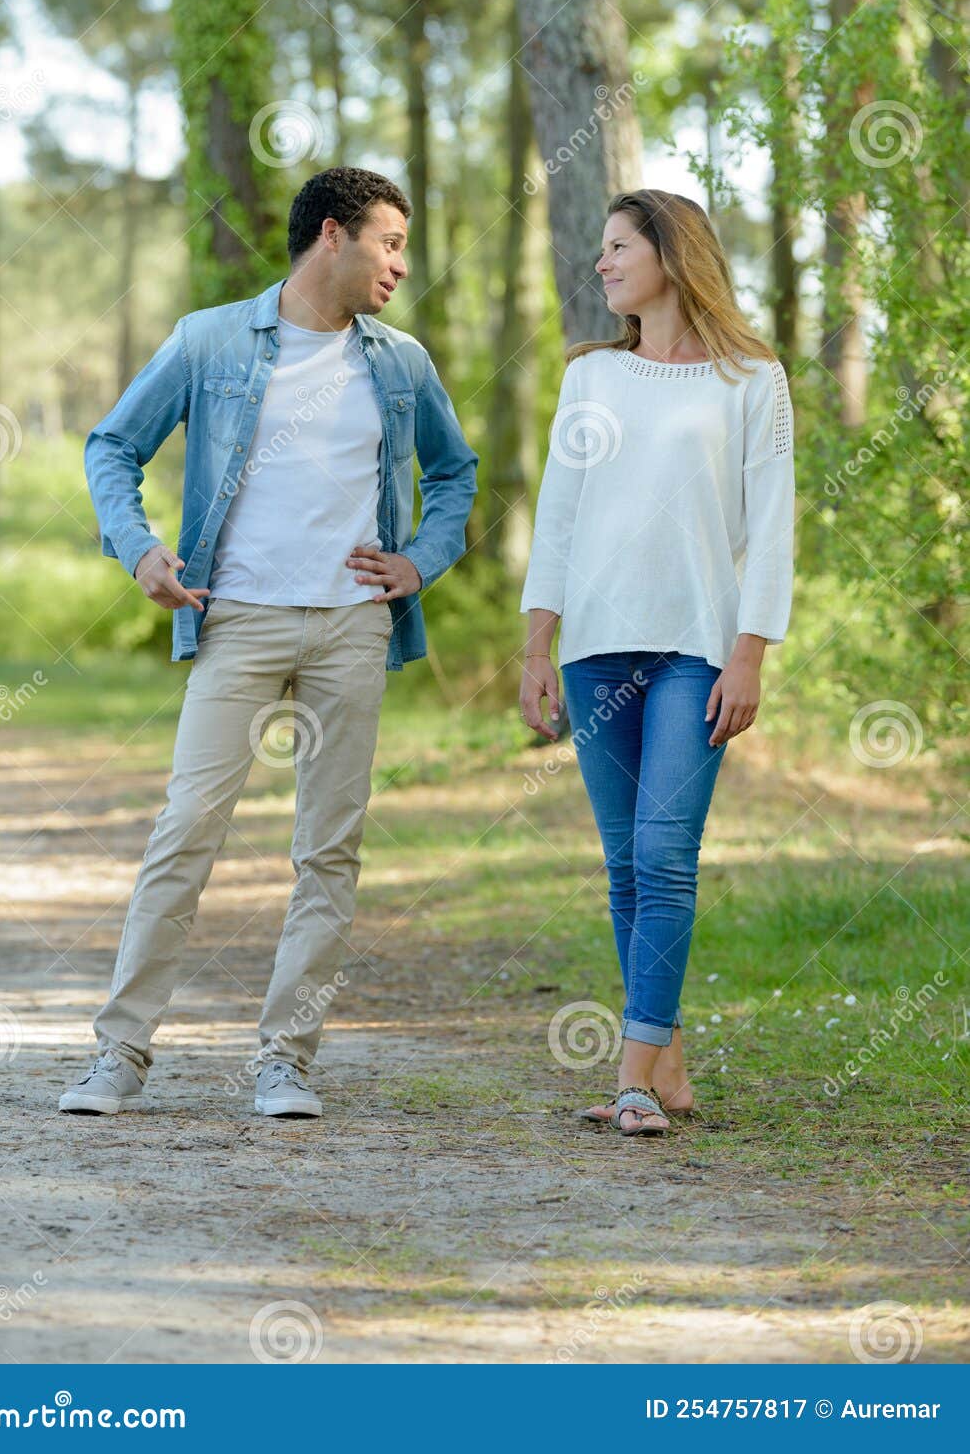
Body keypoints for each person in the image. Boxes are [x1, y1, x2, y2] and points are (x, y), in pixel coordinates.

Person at [59, 167, 478, 1119]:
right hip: (236, 617)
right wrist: (139, 551)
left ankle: (285, 1061)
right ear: (333, 235)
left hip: (351, 626)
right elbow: (111, 444)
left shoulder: (401, 361)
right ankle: (118, 1055)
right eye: (390, 242)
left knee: (329, 849)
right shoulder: (210, 340)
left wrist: (421, 561)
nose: (400, 265)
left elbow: (457, 475)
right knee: (186, 833)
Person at [518, 188, 795, 1137]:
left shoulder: (753, 380)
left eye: (618, 247)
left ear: (671, 257)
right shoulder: (590, 377)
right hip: (597, 645)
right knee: (627, 866)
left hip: (698, 651)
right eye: (599, 248)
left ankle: (632, 1080)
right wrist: (537, 645)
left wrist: (750, 652)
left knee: (666, 854)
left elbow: (773, 529)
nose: (601, 263)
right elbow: (558, 515)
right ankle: (666, 1067)